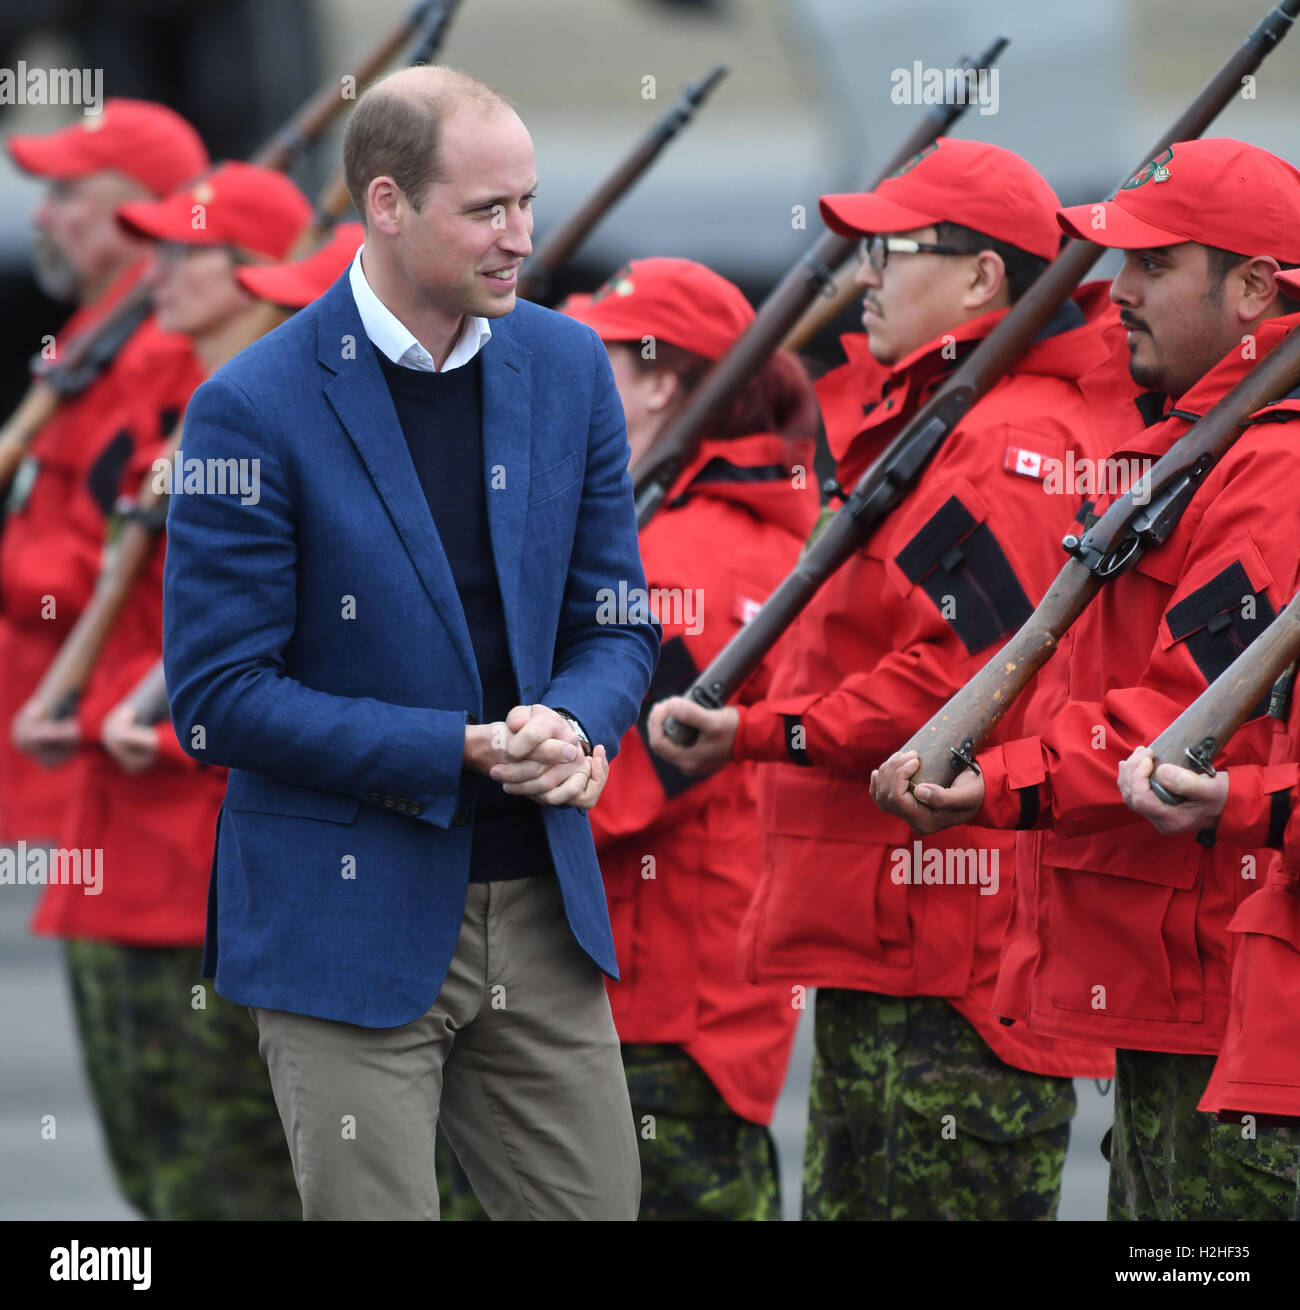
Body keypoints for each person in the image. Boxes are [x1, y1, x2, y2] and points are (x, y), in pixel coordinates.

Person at [161, 65, 658, 1221]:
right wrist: (468, 747)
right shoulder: (251, 406)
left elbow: (616, 617)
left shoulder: (568, 364)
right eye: (487, 210)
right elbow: (218, 699)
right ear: (386, 205)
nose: (522, 237)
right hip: (345, 929)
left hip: (540, 911)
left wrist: (579, 719)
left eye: (528, 203)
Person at [646, 138, 1123, 1220]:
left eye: (888, 249)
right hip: (894, 938)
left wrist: (764, 731)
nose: (860, 273)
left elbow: (955, 682)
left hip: (946, 958)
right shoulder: (941, 425)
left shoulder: (999, 445)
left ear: (980, 277)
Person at [871, 138, 1300, 1220]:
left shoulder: (1274, 462)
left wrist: (1001, 779)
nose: (1117, 293)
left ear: (1252, 287)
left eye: (1153, 265)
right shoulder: (1207, 437)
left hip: (1221, 994)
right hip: (1176, 990)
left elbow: (1182, 718)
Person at [21, 158, 314, 1220]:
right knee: (156, 1173)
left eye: (191, 251)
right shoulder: (157, 416)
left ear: (256, 273)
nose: (165, 269)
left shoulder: (253, 428)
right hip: (118, 835)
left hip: (197, 848)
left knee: (230, 1174)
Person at [563, 257, 820, 1219]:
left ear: (661, 382)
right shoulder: (671, 531)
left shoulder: (687, 555)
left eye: (596, 361)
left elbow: (622, 784)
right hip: (651, 998)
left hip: (657, 1013)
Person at [1, 99, 207, 846]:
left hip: (105, 746)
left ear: (139, 213)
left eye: (67, 195)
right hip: (53, 736)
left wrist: (16, 579)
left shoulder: (161, 356)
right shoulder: (87, 341)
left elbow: (123, 557)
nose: (45, 220)